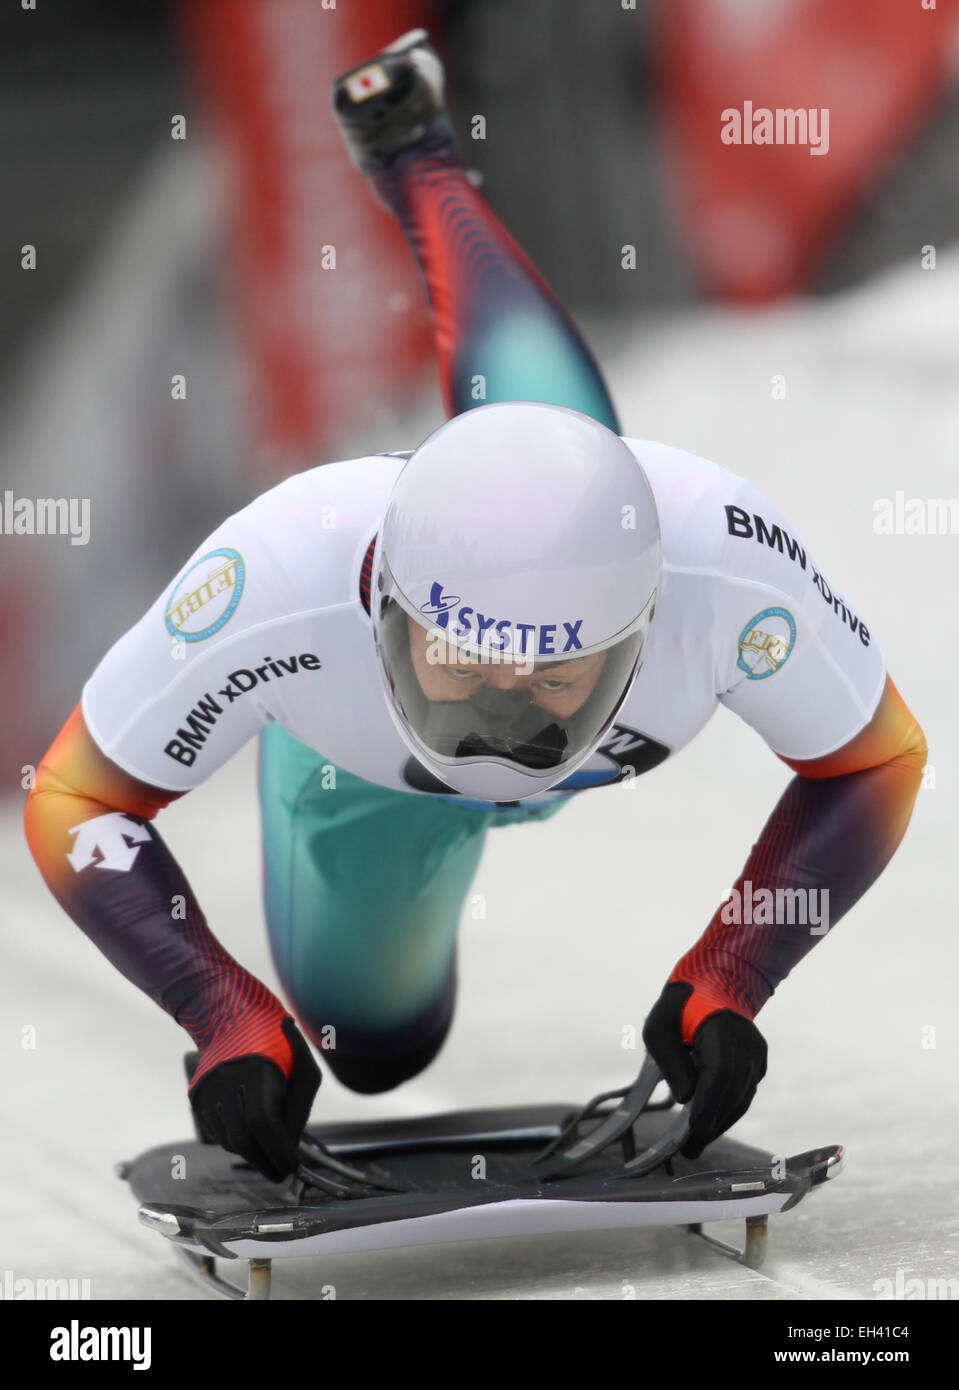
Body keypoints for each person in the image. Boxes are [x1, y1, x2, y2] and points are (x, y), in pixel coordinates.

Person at [25, 31, 926, 1184]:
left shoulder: (718, 561)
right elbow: (76, 794)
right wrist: (224, 1014)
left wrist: (731, 973)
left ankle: (420, 156)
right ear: (376, 603)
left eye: (553, 678)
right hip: (361, 780)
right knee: (376, 1043)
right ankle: (420, 156)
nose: (503, 720)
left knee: (563, 446)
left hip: (390, 741)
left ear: (646, 627)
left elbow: (877, 761)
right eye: (464, 666)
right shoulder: (279, 576)